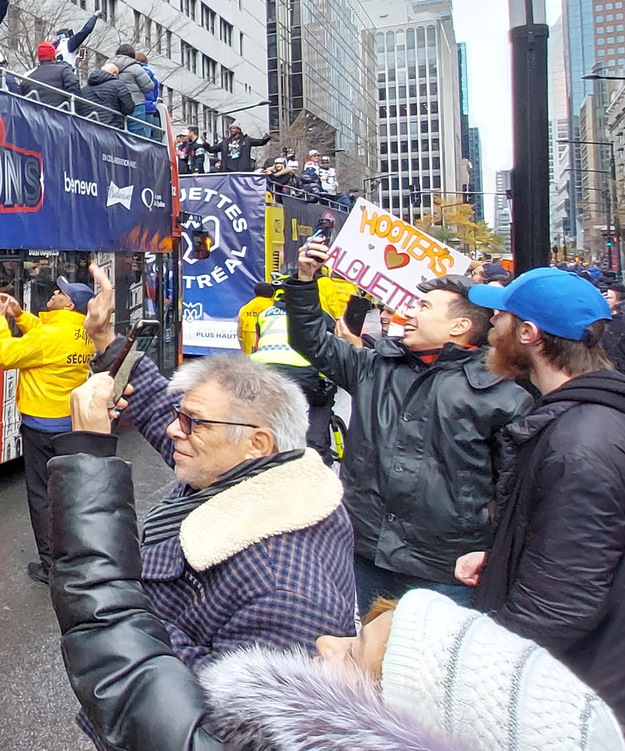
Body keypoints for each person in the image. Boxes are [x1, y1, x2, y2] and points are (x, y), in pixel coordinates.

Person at [48, 374, 625, 750]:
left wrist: (134, 605)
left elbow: (184, 707)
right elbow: (183, 432)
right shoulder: (263, 476)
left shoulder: (283, 584)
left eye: (355, 653)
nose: (326, 643)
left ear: (256, 444)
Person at [456, 268, 625, 735]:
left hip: (567, 694)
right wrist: (508, 558)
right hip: (589, 676)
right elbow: (583, 549)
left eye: (500, 318)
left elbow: (561, 601)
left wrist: (475, 668)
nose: (491, 328)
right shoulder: (595, 417)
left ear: (528, 334)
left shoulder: (583, 440)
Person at [287, 240, 528, 611]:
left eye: (424, 307)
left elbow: (513, 491)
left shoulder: (502, 395)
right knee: (369, 645)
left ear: (460, 325)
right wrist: (305, 280)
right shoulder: (375, 367)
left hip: (445, 569)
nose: (409, 313)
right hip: (369, 552)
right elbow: (313, 342)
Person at [98, 352, 356, 665]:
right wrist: (113, 348)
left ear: (257, 444)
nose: (173, 430)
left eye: (194, 422)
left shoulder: (282, 596)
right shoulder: (259, 476)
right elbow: (162, 412)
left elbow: (182, 687)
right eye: (180, 415)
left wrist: (113, 600)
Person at [0, 277, 97, 585]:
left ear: (69, 304)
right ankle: (76, 555)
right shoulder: (83, 332)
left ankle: (51, 566)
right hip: (71, 424)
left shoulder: (50, 336)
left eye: (60, 293)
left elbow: (4, 355)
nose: (54, 293)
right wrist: (20, 315)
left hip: (41, 428)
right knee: (67, 493)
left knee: (41, 496)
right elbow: (46, 336)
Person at [245, 279, 335, 462]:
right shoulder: (319, 316)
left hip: (265, 372)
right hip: (302, 374)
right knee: (321, 403)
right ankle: (317, 452)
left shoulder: (265, 314)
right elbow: (331, 350)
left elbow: (256, 344)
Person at [103, 46, 159, 136]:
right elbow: (149, 87)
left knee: (116, 134)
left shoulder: (107, 66)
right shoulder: (135, 67)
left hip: (113, 104)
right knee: (137, 135)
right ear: (132, 56)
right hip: (136, 104)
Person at [598, 283, 625, 379]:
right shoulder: (594, 320)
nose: (605, 300)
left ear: (617, 301)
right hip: (600, 367)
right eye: (603, 297)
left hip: (621, 368)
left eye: (609, 298)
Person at [27, 42, 80, 108]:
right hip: (60, 112)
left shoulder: (28, 79)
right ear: (54, 57)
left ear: (39, 59)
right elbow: (75, 89)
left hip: (35, 114)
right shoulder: (64, 71)